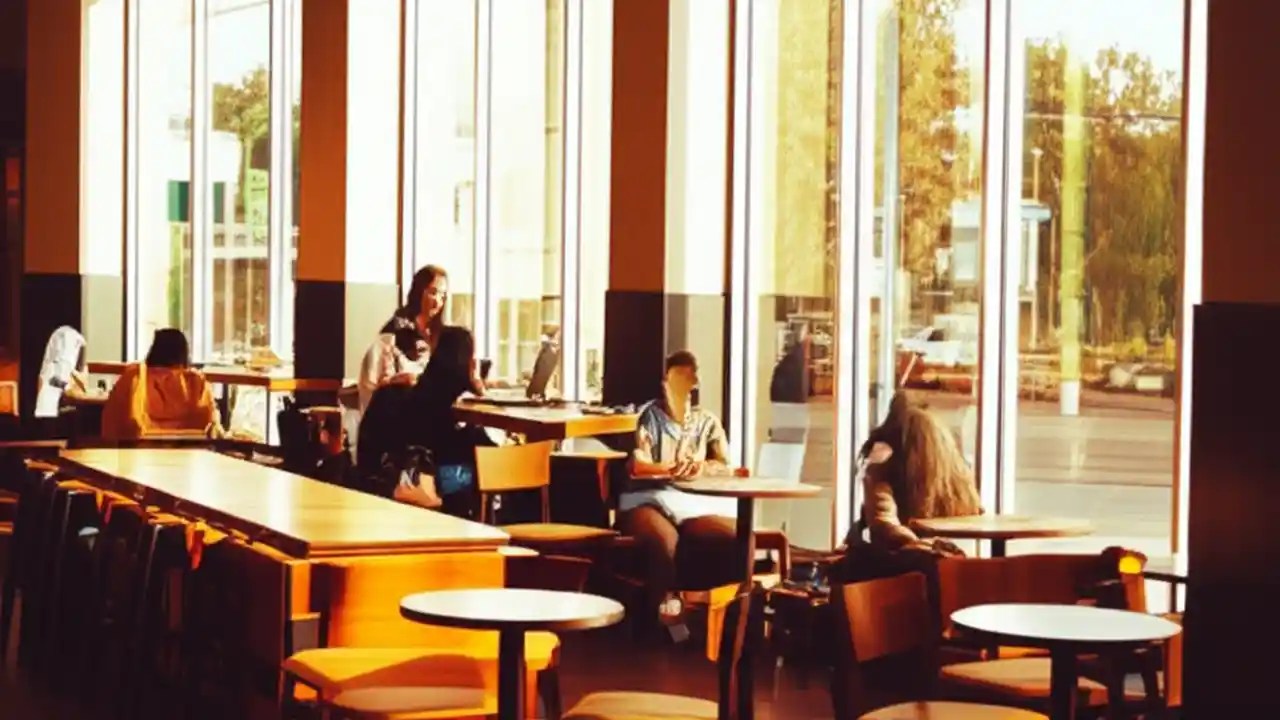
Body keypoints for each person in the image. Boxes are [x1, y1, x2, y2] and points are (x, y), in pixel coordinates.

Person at [617, 350, 742, 628]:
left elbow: (724, 464)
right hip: (647, 498)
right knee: (663, 542)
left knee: (733, 537)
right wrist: (669, 468)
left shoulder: (706, 422)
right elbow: (639, 463)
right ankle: (666, 624)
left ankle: (728, 624)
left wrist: (700, 466)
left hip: (695, 500)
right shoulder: (648, 417)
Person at [410, 325, 492, 518]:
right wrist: (477, 383)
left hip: (428, 464)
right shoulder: (460, 393)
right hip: (452, 469)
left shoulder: (427, 382)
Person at [357, 265, 450, 413]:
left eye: (443, 296)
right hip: (400, 416)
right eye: (433, 293)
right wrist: (399, 381)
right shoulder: (393, 335)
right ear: (419, 292)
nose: (437, 302)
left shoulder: (441, 336)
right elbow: (372, 387)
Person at [101, 329, 220, 440]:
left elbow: (112, 425)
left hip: (139, 452)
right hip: (191, 452)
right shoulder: (197, 383)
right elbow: (211, 425)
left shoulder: (135, 378)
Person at [33, 325, 87, 421]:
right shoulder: (57, 363)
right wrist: (67, 387)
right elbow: (54, 380)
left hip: (59, 405)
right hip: (49, 409)